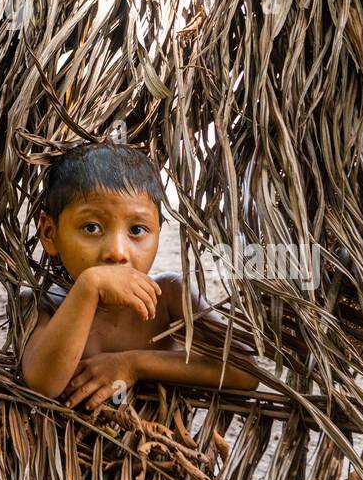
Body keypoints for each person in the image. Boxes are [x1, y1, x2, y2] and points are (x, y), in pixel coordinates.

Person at [20, 141, 259, 410]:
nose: (118, 252)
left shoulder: (168, 295)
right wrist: (89, 286)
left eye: (136, 230)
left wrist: (131, 363)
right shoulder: (41, 303)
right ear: (50, 234)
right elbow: (43, 384)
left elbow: (246, 370)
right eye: (91, 227)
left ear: (159, 231)